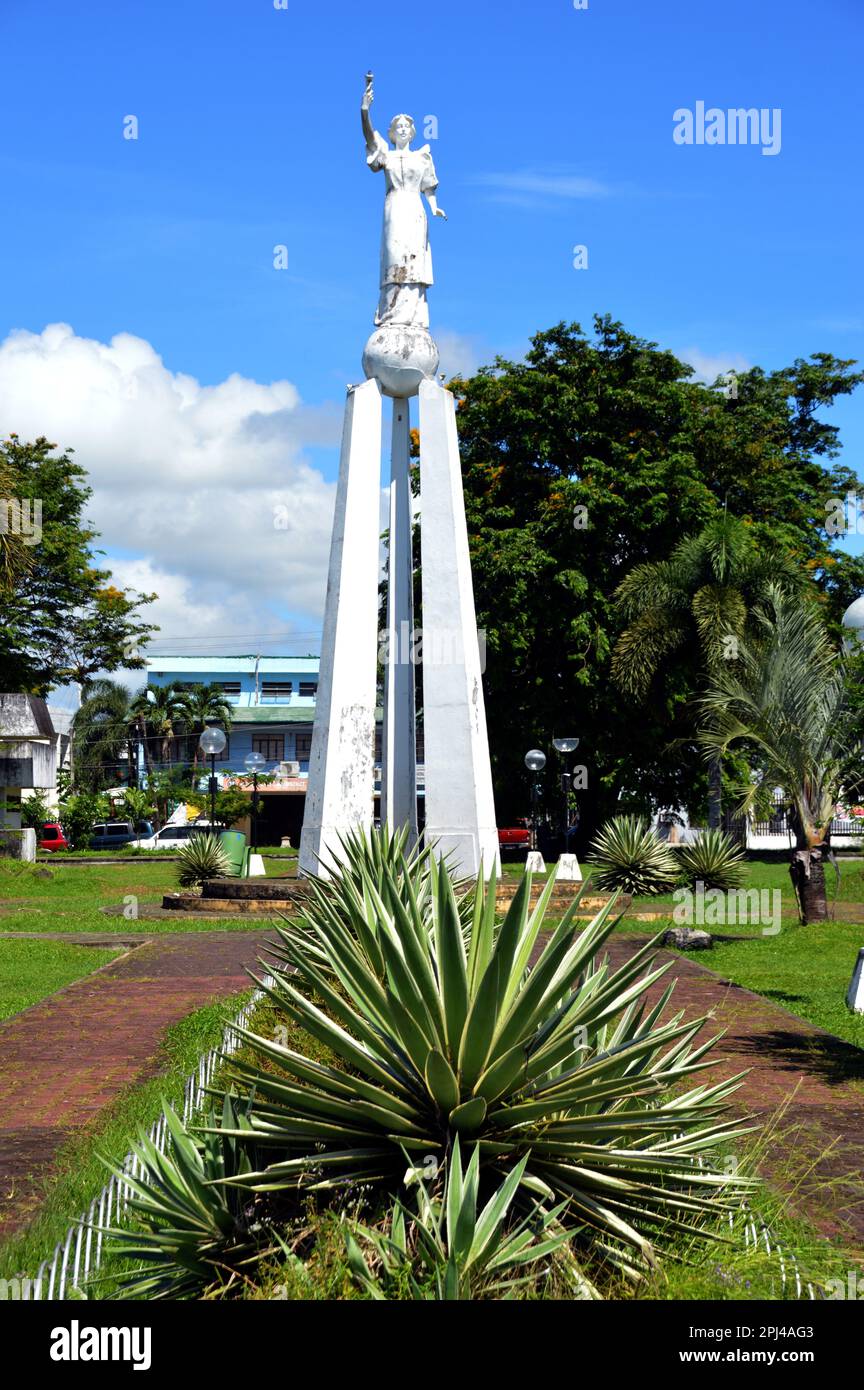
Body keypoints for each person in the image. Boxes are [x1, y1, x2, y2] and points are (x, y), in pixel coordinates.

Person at [361, 73, 447, 329]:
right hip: (394, 208)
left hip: (414, 209)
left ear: (411, 133)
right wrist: (365, 110)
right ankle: (390, 315)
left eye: (406, 127)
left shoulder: (422, 158)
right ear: (391, 133)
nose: (402, 130)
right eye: (397, 127)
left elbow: (428, 187)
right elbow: (368, 137)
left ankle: (414, 316)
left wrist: (434, 207)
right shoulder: (385, 153)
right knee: (393, 256)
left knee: (414, 258)